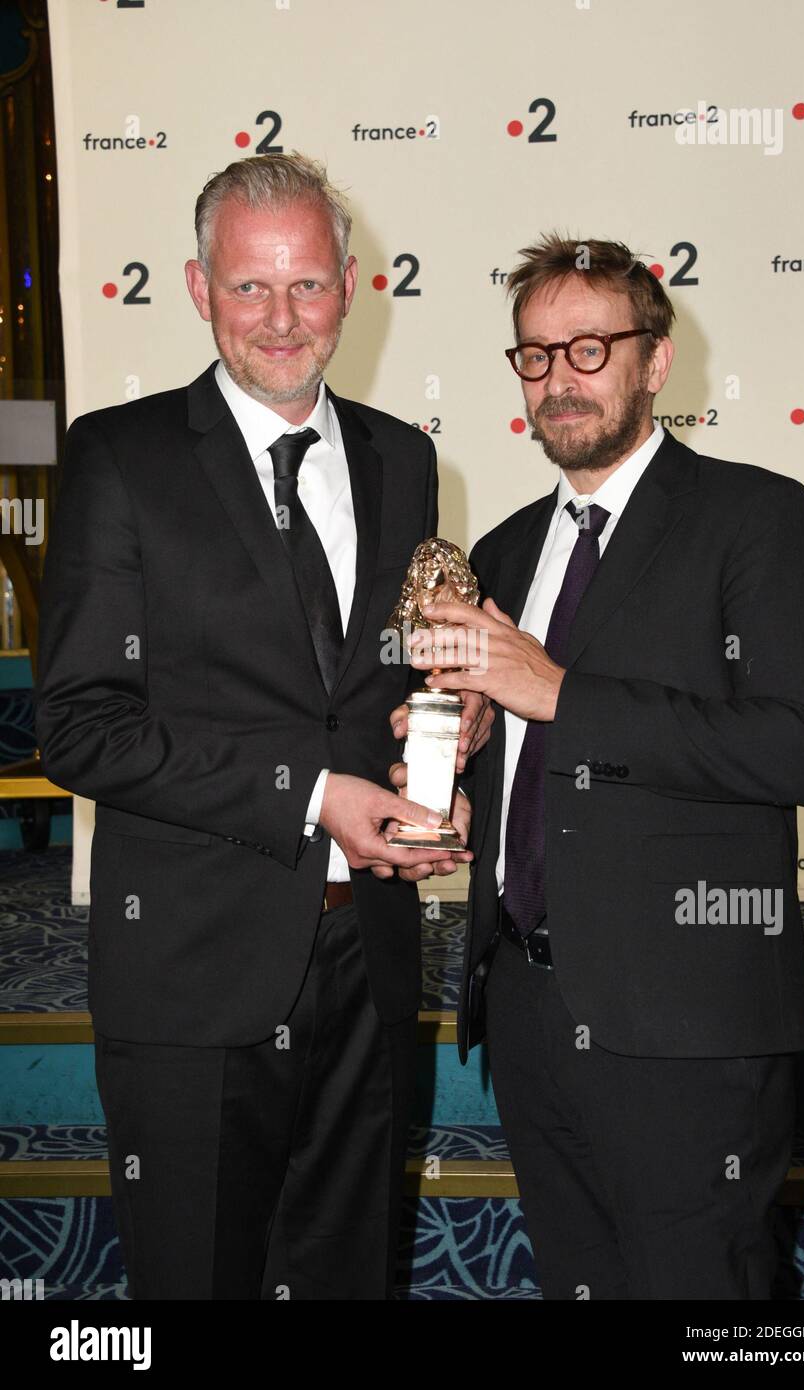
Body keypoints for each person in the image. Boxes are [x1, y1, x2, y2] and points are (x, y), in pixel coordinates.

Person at [35, 152, 488, 1300]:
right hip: (192, 965)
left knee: (349, 1276)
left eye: (309, 285)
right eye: (250, 288)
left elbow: (381, 681)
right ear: (197, 289)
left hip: (368, 956)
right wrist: (312, 796)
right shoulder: (119, 456)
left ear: (350, 284)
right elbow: (82, 725)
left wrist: (444, 743)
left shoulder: (405, 458)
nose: (282, 320)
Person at [404, 234, 804, 1299]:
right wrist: (456, 765)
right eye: (535, 355)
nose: (559, 377)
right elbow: (532, 761)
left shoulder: (755, 514)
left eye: (590, 349)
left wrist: (558, 691)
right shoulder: (505, 548)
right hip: (526, 1010)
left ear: (656, 360)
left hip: (689, 1024)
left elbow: (800, 746)